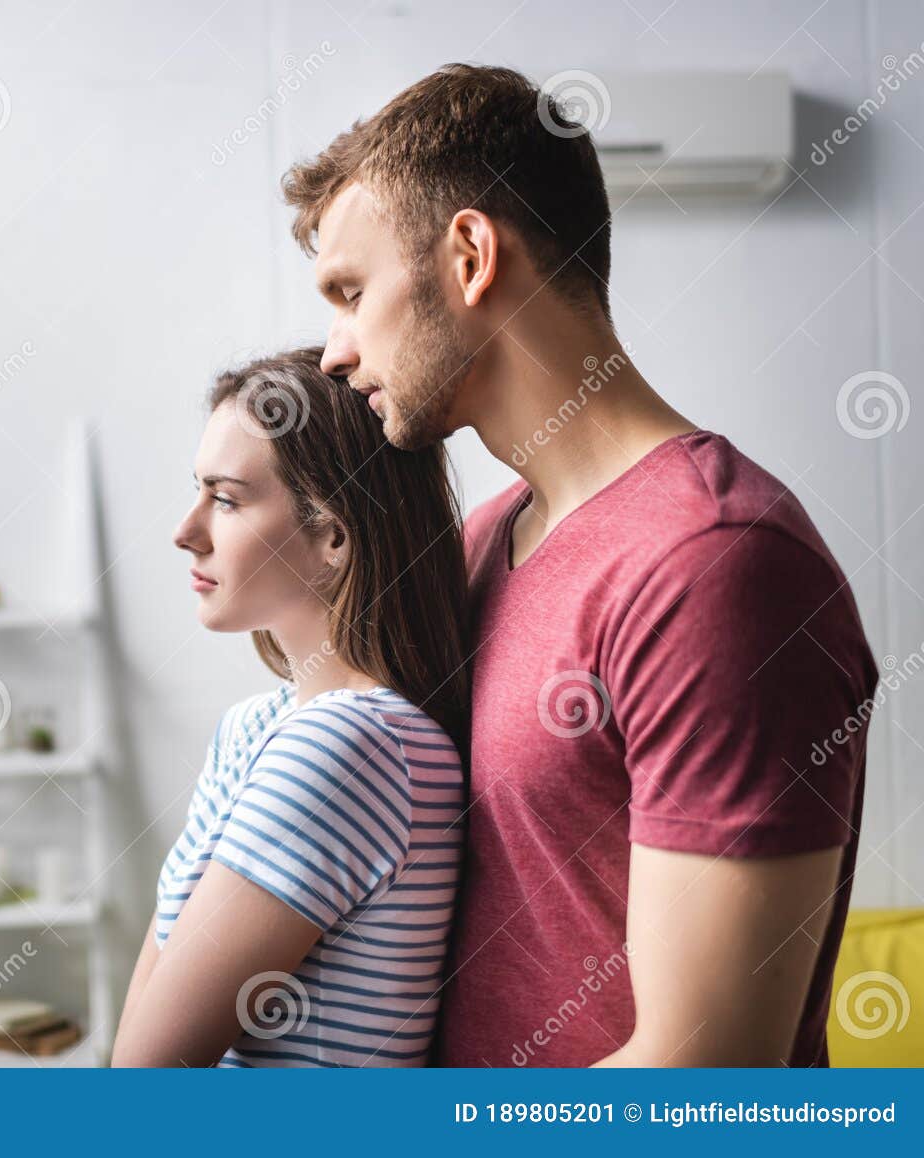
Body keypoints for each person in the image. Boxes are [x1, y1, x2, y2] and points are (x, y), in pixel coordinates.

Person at [283, 63, 879, 1066]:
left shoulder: (714, 566)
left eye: (350, 292)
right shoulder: (487, 544)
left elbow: (702, 1077)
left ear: (469, 255)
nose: (334, 352)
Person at [110, 347, 469, 1066]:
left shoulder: (353, 744)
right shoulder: (257, 727)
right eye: (197, 490)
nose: (186, 530)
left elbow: (146, 1069)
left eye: (228, 498)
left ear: (333, 535)